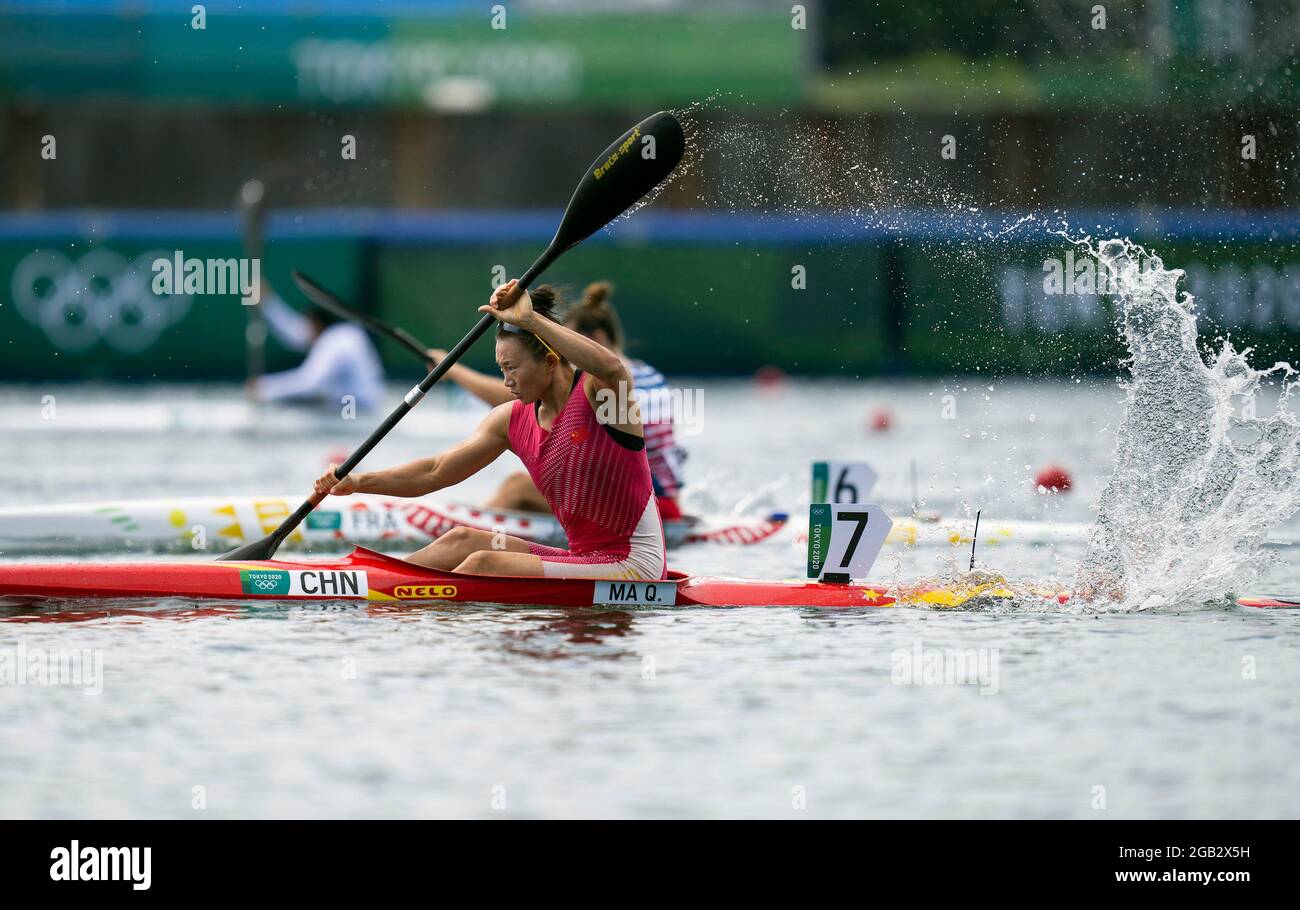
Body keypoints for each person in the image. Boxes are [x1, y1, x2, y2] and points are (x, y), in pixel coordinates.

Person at [312, 280, 666, 580]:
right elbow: (435, 472)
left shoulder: (598, 395)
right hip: (584, 559)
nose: (506, 381)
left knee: (486, 562)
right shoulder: (509, 420)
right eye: (501, 368)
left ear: (550, 360)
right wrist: (358, 482)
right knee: (462, 541)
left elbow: (614, 368)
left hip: (633, 565)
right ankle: (375, 584)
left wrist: (531, 321)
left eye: (512, 368)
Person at [426, 281, 688, 520]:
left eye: (562, 342)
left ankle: (462, 526)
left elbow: (512, 399)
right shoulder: (647, 372)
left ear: (595, 339)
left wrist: (453, 371)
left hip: (647, 505)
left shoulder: (612, 383)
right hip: (653, 496)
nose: (562, 355)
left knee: (517, 487)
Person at [248, 282, 386, 411]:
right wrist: (267, 302)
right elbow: (294, 333)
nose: (304, 333)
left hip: (358, 412)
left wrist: (264, 388)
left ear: (317, 324)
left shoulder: (339, 340)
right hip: (356, 406)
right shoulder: (344, 333)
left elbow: (309, 384)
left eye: (308, 326)